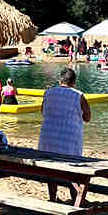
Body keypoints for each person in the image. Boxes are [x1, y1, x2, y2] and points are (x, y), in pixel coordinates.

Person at [38, 68, 91, 200]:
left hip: (48, 140)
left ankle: (52, 197)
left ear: (60, 80)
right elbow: (88, 117)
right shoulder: (78, 95)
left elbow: (43, 112)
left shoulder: (49, 93)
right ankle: (75, 199)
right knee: (73, 171)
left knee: (51, 170)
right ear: (74, 82)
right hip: (69, 141)